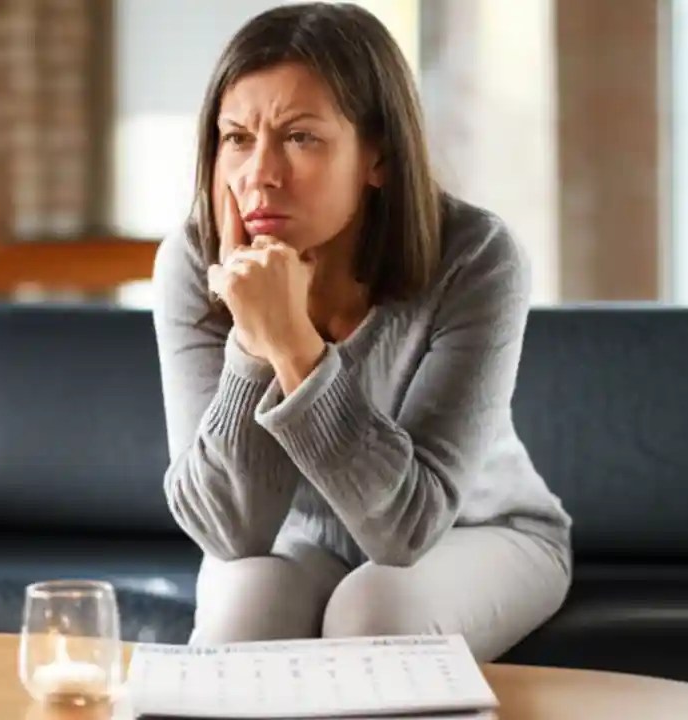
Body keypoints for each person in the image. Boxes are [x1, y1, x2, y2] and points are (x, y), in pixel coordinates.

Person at [152, 2, 571, 661]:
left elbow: (406, 531)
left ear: (378, 154)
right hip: (301, 542)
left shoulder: (476, 255)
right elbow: (227, 532)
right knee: (245, 611)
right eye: (236, 138)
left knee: (375, 609)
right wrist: (251, 345)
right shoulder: (191, 260)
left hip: (477, 533)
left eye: (300, 137)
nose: (258, 174)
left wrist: (293, 343)